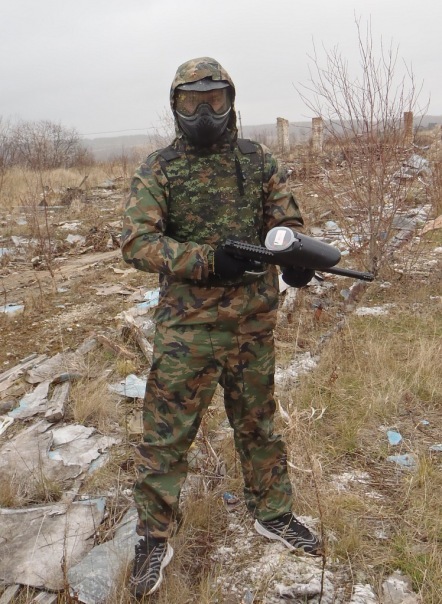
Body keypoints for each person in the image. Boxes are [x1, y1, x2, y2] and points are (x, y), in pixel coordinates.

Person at [121, 56, 322, 598]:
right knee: (167, 436)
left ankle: (273, 513)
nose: (205, 113)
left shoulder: (258, 161)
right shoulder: (160, 168)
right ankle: (153, 537)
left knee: (258, 425)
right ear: (176, 106)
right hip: (186, 330)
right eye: (193, 102)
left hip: (251, 324)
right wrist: (209, 261)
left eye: (215, 100)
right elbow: (137, 243)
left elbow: (285, 222)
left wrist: (296, 257)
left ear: (231, 102)